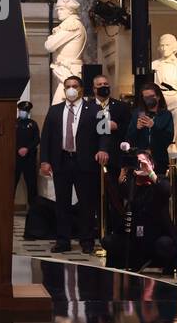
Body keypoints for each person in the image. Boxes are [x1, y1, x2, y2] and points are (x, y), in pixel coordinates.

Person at [39, 74, 111, 254]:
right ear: (64, 90)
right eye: (68, 86)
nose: (71, 89)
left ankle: (87, 241)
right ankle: (62, 240)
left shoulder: (96, 109)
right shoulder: (54, 110)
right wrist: (45, 161)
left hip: (85, 161)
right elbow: (46, 137)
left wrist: (103, 149)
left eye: (74, 86)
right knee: (61, 203)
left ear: (81, 89)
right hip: (61, 161)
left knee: (86, 203)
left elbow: (105, 132)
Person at [111, 151, 177, 277]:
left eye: (143, 162)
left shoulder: (159, 179)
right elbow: (119, 193)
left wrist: (150, 172)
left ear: (152, 164)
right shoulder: (132, 184)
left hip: (157, 234)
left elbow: (165, 190)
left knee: (165, 244)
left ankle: (166, 265)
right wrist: (123, 172)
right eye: (138, 163)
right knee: (111, 241)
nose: (140, 166)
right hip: (136, 234)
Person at [93, 73, 132, 237]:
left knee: (115, 196)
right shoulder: (88, 107)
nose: (103, 87)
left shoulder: (121, 107)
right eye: (100, 85)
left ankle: (116, 230)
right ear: (94, 89)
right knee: (95, 196)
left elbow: (129, 130)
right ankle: (97, 229)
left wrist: (117, 127)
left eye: (106, 84)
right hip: (94, 158)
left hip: (115, 158)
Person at [16, 100, 51, 240]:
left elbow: (37, 139)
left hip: (29, 160)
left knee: (32, 187)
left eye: (25, 110)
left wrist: (27, 149)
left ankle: (33, 212)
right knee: (11, 184)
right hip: (15, 159)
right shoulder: (14, 123)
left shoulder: (33, 124)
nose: (23, 112)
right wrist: (17, 149)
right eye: (21, 110)